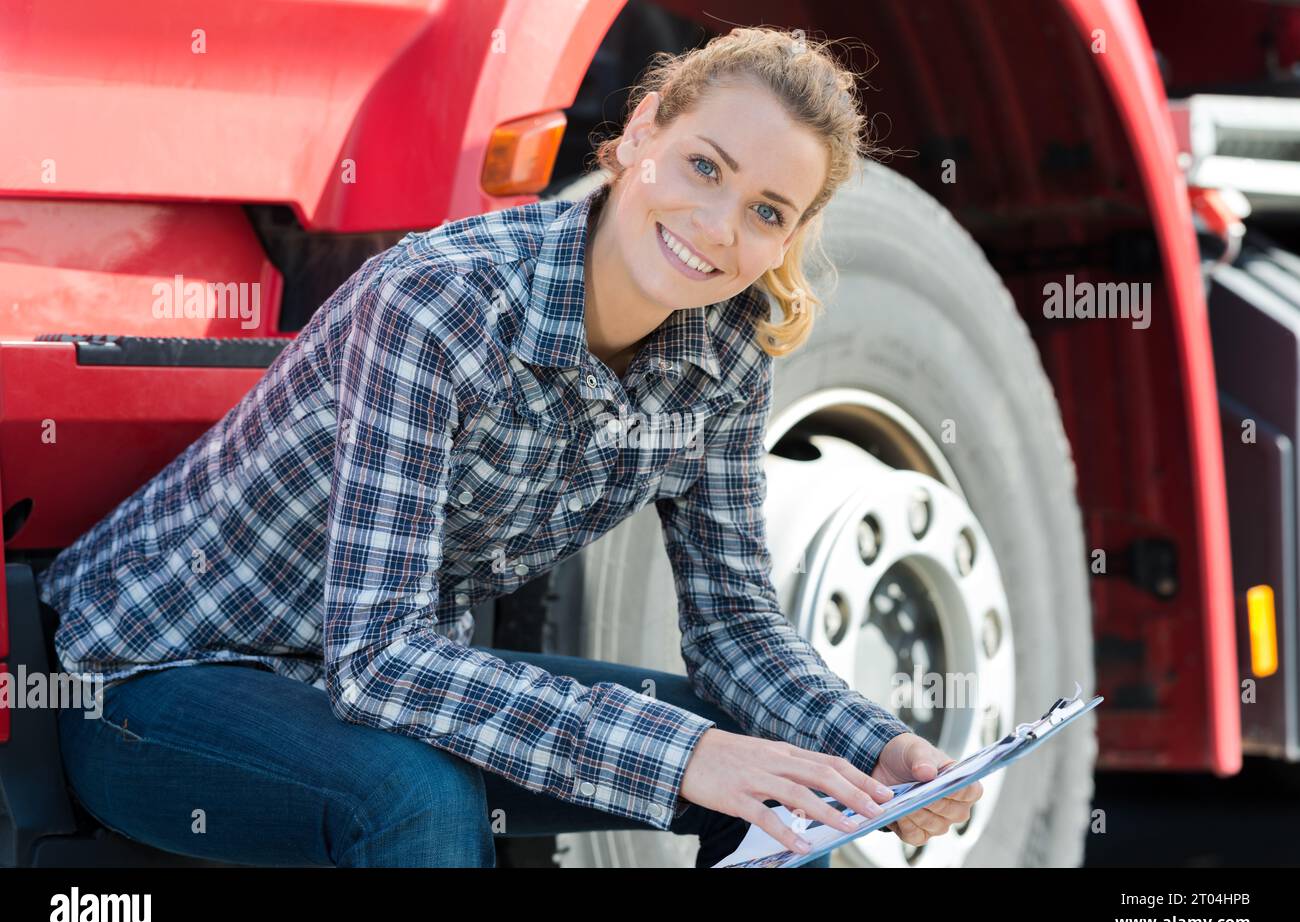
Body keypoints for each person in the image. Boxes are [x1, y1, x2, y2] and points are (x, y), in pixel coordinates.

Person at [42, 25, 981, 868]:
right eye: (705, 166)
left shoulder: (724, 360)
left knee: (786, 786)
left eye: (768, 211)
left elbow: (734, 627)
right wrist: (681, 755)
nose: (719, 226)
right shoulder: (439, 304)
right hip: (157, 678)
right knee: (415, 792)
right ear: (645, 131)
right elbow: (377, 654)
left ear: (788, 239)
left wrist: (870, 744)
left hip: (370, 683)